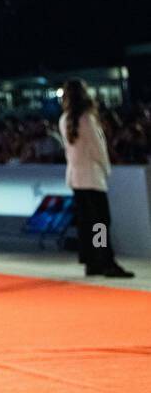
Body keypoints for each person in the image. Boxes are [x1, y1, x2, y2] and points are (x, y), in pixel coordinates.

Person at [59, 79, 134, 278]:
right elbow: (99, 149)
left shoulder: (64, 119)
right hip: (91, 177)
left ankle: (91, 261)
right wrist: (106, 169)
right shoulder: (87, 119)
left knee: (85, 223)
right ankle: (105, 260)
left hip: (76, 178)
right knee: (100, 223)